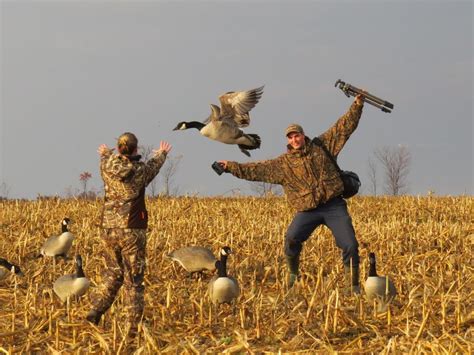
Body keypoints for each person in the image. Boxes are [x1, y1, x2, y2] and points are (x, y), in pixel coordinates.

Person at [218, 94, 365, 293]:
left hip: (333, 205)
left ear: (303, 136)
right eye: (291, 137)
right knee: (291, 239)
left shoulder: (322, 147)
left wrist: (357, 105)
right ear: (288, 140)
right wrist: (230, 167)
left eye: (297, 135)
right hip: (307, 210)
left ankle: (352, 286)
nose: (295, 139)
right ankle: (294, 276)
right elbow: (255, 169)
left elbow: (344, 127)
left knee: (350, 244)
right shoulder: (283, 165)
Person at [86, 132, 172, 340]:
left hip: (108, 229)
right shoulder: (139, 171)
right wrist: (162, 154)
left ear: (118, 149)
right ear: (135, 149)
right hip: (132, 230)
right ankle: (132, 329)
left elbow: (109, 159)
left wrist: (106, 154)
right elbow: (153, 167)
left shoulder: (105, 165)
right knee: (134, 280)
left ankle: (95, 311)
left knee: (113, 272)